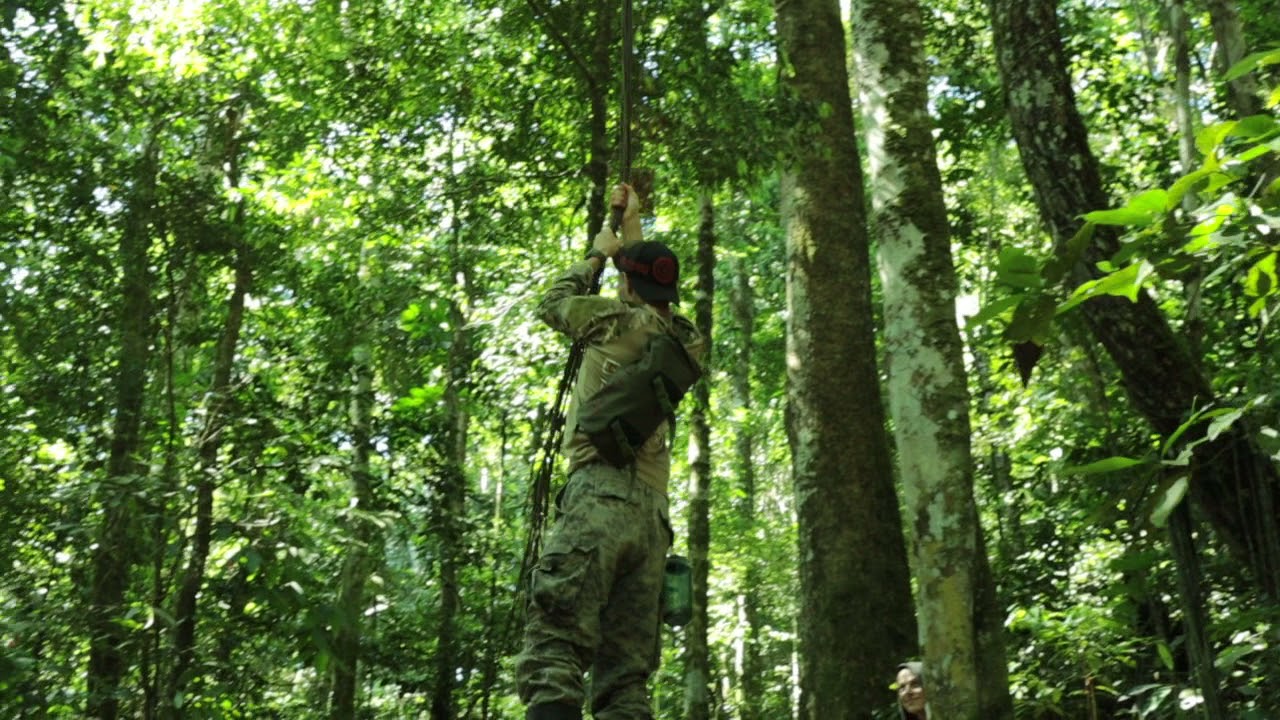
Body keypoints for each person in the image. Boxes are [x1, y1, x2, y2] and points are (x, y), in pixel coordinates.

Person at [514, 184, 706, 720]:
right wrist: (633, 237)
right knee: (625, 682)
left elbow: (552, 305)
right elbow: (650, 297)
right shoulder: (686, 343)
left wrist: (599, 252)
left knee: (555, 648)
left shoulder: (610, 321)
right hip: (652, 519)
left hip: (598, 496)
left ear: (624, 284)